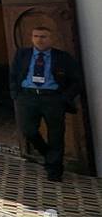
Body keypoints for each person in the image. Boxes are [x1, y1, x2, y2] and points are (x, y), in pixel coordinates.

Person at [9, 24, 82, 182]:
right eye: (36, 36)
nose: (39, 40)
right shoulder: (22, 54)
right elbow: (14, 74)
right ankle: (49, 155)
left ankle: (54, 170)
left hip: (52, 98)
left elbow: (76, 80)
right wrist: (16, 94)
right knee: (28, 130)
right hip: (27, 97)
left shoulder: (62, 57)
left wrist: (64, 98)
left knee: (56, 134)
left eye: (43, 37)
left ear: (51, 38)